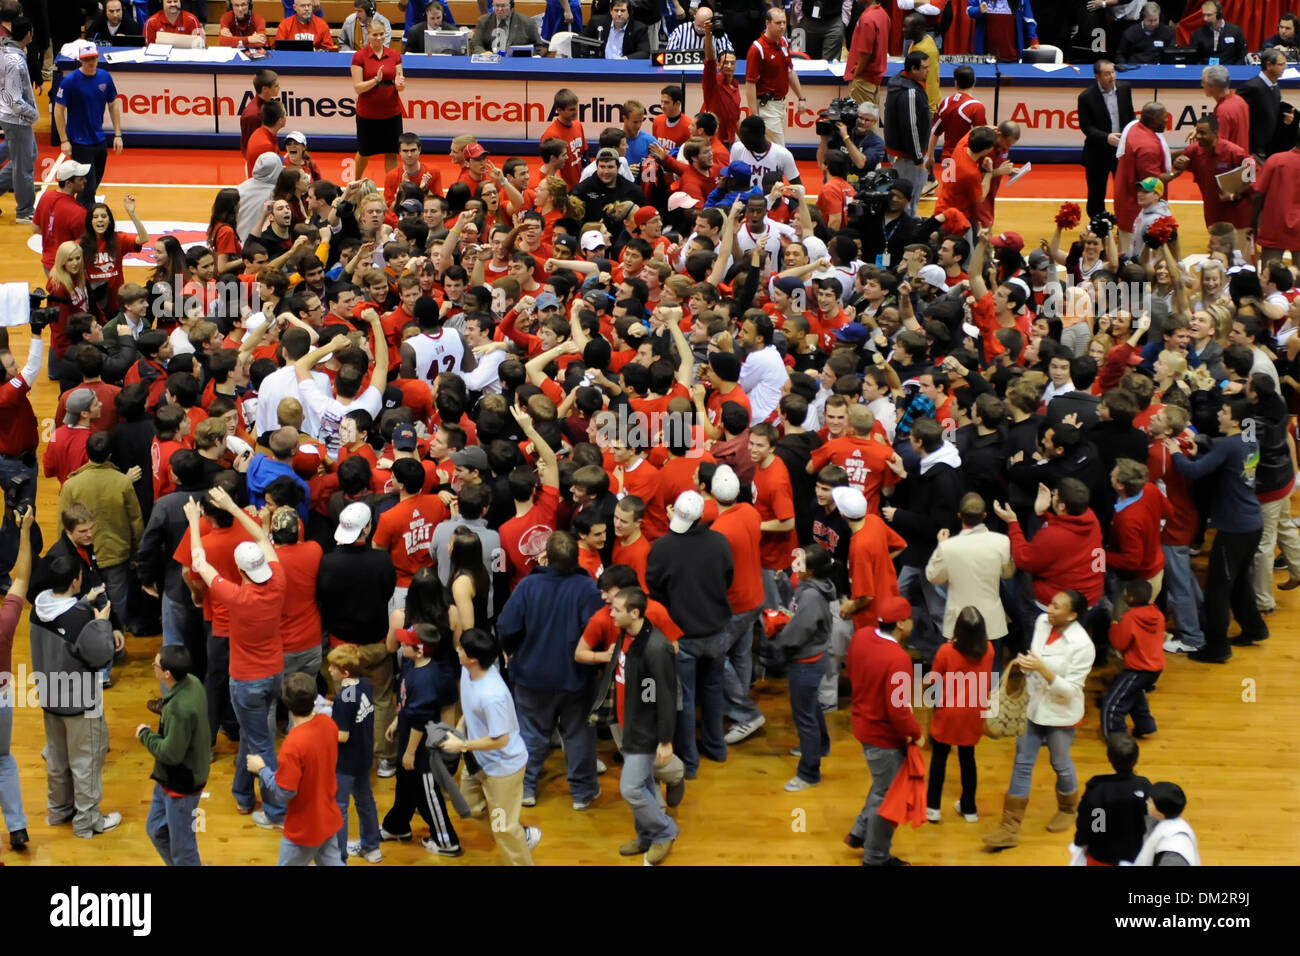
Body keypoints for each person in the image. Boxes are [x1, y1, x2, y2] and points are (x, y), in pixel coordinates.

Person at [185, 485, 287, 825]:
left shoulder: (236, 596)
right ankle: (243, 795)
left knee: (261, 745)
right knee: (252, 734)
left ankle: (275, 809)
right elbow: (262, 535)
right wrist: (233, 507)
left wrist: (192, 522)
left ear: (241, 571)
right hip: (275, 673)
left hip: (247, 681)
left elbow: (198, 563)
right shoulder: (278, 580)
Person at [496, 531, 604, 808]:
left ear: (546, 556)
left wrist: (512, 651)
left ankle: (528, 789)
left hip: (531, 676)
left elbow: (506, 626)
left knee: (531, 735)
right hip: (576, 678)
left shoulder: (528, 586)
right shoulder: (587, 588)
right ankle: (582, 793)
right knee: (579, 735)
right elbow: (598, 630)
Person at [984, 590, 1095, 851]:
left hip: (1061, 712)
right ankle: (1008, 829)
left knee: (1060, 762)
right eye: (1051, 603)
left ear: (1073, 615)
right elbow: (1036, 657)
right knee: (1022, 763)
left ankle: (1068, 809)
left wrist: (1042, 670)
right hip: (1034, 707)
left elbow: (1071, 690)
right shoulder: (1041, 623)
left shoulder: (1082, 645)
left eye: (1058, 607)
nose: (1050, 609)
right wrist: (1025, 665)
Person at [1165, 399, 1265, 662]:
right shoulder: (1248, 440)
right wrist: (1202, 453)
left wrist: (1175, 451)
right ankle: (1254, 627)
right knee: (1240, 580)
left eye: (1224, 412)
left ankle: (1217, 648)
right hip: (1251, 522)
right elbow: (1223, 467)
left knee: (1217, 589)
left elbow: (1193, 471)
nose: (1218, 414)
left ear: (1234, 421)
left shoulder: (1230, 445)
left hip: (1234, 527)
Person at [28, 554, 121, 839]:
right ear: (75, 581)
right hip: (82, 702)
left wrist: (84, 604)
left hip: (50, 696)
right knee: (87, 761)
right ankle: (87, 822)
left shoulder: (38, 607)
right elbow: (101, 654)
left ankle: (58, 810)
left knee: (57, 758)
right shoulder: (82, 619)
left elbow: (63, 622)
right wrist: (102, 623)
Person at [646, 490, 735, 778]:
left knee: (684, 701)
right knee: (712, 692)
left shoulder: (662, 547)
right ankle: (717, 748)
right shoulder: (720, 542)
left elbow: (654, 589)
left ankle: (690, 763)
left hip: (682, 636)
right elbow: (728, 577)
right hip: (717, 631)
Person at [440, 628, 541, 865]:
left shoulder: (492, 694)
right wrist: (461, 726)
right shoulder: (468, 672)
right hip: (477, 760)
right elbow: (470, 709)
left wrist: (462, 744)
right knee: (468, 808)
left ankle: (516, 841)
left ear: (473, 658)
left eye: (461, 648)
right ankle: (521, 834)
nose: (457, 650)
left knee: (502, 828)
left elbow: (501, 740)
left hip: (502, 769)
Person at [845, 594, 922, 866]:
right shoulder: (899, 659)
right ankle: (875, 857)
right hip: (884, 738)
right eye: (909, 618)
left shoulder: (862, 636)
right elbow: (899, 711)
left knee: (881, 786)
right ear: (901, 624)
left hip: (862, 725)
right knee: (888, 796)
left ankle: (859, 832)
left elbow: (852, 670)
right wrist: (917, 733)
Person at [608, 586, 679, 865]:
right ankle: (646, 834)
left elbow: (662, 695)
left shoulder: (655, 648)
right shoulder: (628, 635)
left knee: (631, 788)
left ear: (634, 613)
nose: (611, 612)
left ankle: (664, 832)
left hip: (644, 731)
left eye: (616, 609)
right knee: (646, 784)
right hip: (629, 724)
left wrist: (664, 738)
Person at [247, 673, 345, 866]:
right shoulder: (329, 725)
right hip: (328, 816)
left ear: (286, 703)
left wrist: (262, 770)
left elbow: (285, 792)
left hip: (305, 826)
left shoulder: (293, 744)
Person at [135, 645, 210, 866]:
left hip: (182, 785)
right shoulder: (192, 682)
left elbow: (171, 753)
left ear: (167, 673)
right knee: (156, 830)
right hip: (169, 779)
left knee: (183, 849)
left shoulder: (180, 709)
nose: (153, 667)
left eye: (155, 664)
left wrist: (145, 735)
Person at [772, 543, 835, 793]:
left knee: (804, 717)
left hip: (806, 663)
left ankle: (809, 772)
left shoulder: (811, 595)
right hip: (813, 658)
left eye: (800, 563)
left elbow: (798, 632)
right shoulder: (811, 586)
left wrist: (777, 642)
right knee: (811, 707)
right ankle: (820, 746)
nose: (794, 565)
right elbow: (796, 611)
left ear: (810, 571)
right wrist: (783, 585)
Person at [926, 606, 994, 824]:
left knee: (939, 757)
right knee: (968, 758)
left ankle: (933, 807)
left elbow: (932, 682)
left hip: (948, 712)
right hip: (974, 712)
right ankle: (969, 808)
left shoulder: (946, 652)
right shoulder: (990, 650)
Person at [53, 43, 123, 212]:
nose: (91, 62)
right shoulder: (70, 81)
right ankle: (85, 219)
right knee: (88, 186)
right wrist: (64, 140)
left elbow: (113, 105)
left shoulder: (105, 78)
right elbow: (58, 110)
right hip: (79, 142)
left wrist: (118, 134)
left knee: (94, 182)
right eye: (86, 59)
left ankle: (76, 210)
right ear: (81, 60)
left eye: (93, 58)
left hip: (99, 139)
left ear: (98, 57)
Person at [326, 643, 380, 864]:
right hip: (365, 754)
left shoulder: (342, 699)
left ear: (345, 672)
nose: (329, 670)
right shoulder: (365, 685)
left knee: (339, 808)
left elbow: (342, 736)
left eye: (333, 667)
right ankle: (372, 847)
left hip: (345, 762)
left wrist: (323, 724)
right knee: (365, 800)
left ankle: (339, 857)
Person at [0, 506, 34, 853]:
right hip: (3, 701)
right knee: (3, 759)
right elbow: (21, 578)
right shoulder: (4, 625)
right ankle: (17, 827)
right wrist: (24, 532)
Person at [1071, 732, 1153, 865]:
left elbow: (1092, 824)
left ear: (1109, 758)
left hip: (1102, 856)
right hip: (1136, 856)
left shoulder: (1097, 790)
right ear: (1137, 759)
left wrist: (1081, 841)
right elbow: (1150, 821)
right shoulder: (1144, 786)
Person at [1102, 579, 1163, 737]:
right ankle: (1145, 726)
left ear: (1130, 598)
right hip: (1155, 668)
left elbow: (1119, 644)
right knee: (1134, 694)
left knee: (1113, 704)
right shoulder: (1157, 614)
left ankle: (1117, 737)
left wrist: (1115, 626)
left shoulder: (1130, 617)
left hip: (1137, 669)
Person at [1077, 60, 1135, 219]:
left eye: (1113, 72)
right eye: (1107, 74)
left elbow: (1130, 115)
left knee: (1124, 190)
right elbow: (1086, 127)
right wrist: (1106, 137)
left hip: (1121, 150)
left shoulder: (1124, 88)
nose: (1112, 76)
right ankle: (1097, 227)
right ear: (1097, 76)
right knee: (1096, 192)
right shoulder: (1086, 97)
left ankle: (1124, 222)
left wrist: (1129, 135)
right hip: (1097, 152)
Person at [349, 18, 404, 181]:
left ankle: (391, 186)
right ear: (368, 35)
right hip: (368, 114)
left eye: (381, 34)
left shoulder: (394, 55)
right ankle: (356, 182)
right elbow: (358, 87)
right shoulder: (359, 57)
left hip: (392, 112)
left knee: (392, 152)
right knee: (364, 152)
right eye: (375, 35)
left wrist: (400, 84)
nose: (379, 38)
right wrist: (375, 81)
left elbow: (400, 84)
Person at [745, 6, 805, 146]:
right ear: (767, 23)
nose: (782, 26)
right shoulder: (757, 49)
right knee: (779, 150)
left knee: (771, 149)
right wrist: (754, 115)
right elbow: (750, 83)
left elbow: (790, 71)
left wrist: (801, 98)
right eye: (778, 23)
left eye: (784, 22)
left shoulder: (783, 42)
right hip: (767, 107)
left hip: (781, 105)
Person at [884, 52, 932, 218]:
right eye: (925, 68)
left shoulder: (899, 81)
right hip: (908, 156)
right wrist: (918, 157)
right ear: (913, 69)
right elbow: (910, 126)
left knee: (903, 195)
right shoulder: (909, 92)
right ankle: (907, 230)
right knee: (908, 198)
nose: (928, 71)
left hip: (902, 153)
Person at [0, 16, 38, 225]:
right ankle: (24, 211)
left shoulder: (8, 52)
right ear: (29, 34)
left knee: (27, 156)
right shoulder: (15, 61)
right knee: (23, 166)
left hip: (11, 115)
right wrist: (33, 114)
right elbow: (15, 100)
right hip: (16, 118)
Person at [1253, 125, 1300, 269]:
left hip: (1274, 226)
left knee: (1269, 278)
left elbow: (1258, 195)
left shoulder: (1276, 160)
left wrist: (1252, 223)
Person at [1133, 781, 1201, 866]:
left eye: (1150, 802)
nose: (1146, 802)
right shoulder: (1157, 821)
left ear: (1160, 809)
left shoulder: (1174, 846)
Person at [845, 0, 889, 113]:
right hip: (874, 78)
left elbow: (866, 54)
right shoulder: (882, 14)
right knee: (871, 120)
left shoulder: (867, 19)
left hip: (864, 79)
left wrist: (856, 74)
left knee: (863, 123)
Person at [967, 0, 1039, 60]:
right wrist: (978, 10)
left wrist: (1033, 40)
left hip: (1012, 56)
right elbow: (969, 10)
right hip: (986, 55)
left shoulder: (1021, 1)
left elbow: (1029, 20)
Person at [582, 0, 650, 59]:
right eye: (616, 10)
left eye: (622, 11)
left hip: (624, 68)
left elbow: (644, 52)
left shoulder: (639, 28)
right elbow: (581, 40)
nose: (619, 14)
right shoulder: (596, 22)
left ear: (629, 13)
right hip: (600, 66)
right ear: (611, 11)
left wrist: (625, 59)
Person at [471, 0, 544, 55]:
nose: (499, 9)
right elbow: (476, 44)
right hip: (490, 65)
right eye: (496, 6)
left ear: (511, 7)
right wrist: (483, 53)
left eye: (503, 6)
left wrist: (524, 57)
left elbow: (537, 47)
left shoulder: (527, 23)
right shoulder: (483, 21)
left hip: (517, 65)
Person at [1190, 1, 1244, 65]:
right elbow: (1194, 58)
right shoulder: (1198, 33)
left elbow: (1242, 56)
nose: (1205, 19)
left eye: (1209, 15)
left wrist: (1234, 71)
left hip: (1229, 70)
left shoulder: (1235, 31)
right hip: (1206, 71)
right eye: (1204, 15)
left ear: (1219, 14)